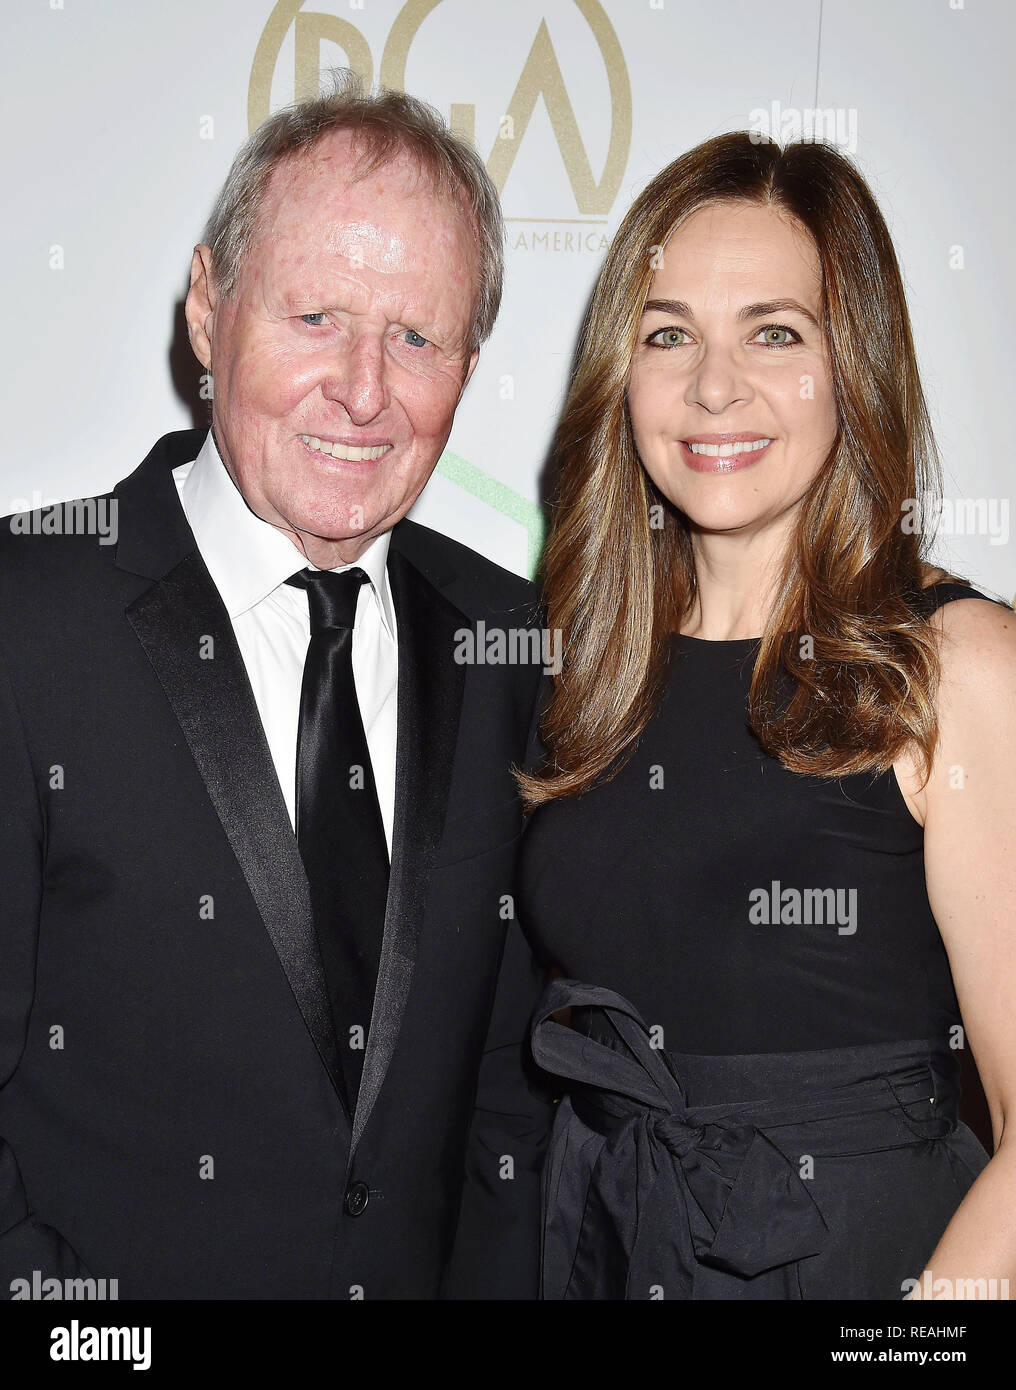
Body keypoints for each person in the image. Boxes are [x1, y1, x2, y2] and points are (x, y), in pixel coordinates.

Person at [0, 71, 552, 1300]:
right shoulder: (26, 617)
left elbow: (507, 1095)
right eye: (315, 317)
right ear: (209, 309)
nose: (363, 390)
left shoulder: (511, 641)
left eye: (416, 338)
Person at [517, 132, 1016, 1300]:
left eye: (773, 333)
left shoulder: (954, 662)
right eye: (668, 334)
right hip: (608, 1247)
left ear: (854, 368)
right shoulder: (588, 662)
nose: (712, 386)